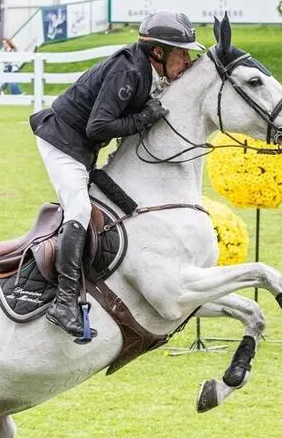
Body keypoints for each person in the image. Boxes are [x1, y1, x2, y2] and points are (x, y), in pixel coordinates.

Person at [28, 10, 203, 341]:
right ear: (158, 52)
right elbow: (99, 126)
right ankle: (64, 302)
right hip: (61, 144)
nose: (186, 59)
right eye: (181, 53)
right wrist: (142, 119)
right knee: (79, 209)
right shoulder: (127, 71)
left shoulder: (144, 68)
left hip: (81, 147)